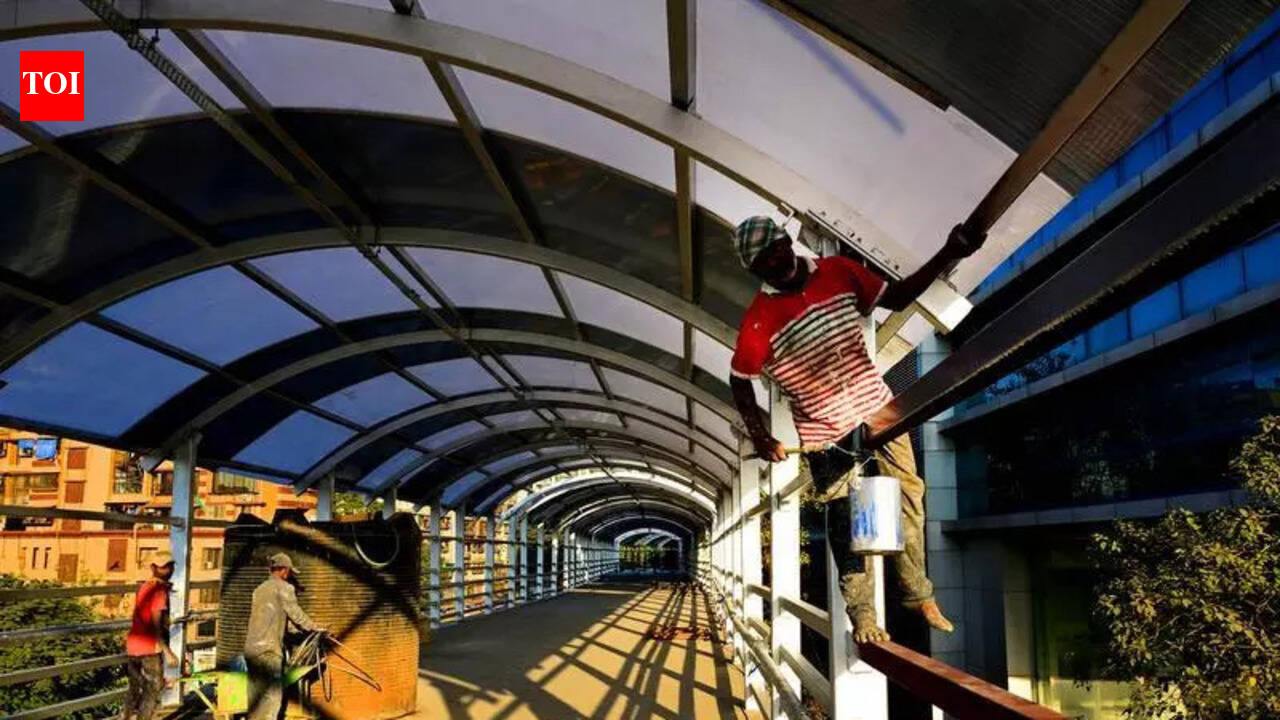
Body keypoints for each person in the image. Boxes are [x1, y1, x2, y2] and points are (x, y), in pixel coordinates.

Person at [728, 215, 985, 643]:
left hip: (877, 409)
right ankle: (863, 615)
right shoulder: (759, 320)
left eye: (775, 249)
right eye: (762, 263)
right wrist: (761, 435)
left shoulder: (837, 272)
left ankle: (917, 593)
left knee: (908, 493)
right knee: (848, 522)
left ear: (786, 242)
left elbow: (898, 297)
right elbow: (739, 378)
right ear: (755, 272)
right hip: (824, 433)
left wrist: (949, 252)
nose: (774, 262)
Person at [244, 552, 325, 720]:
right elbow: (296, 614)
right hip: (269, 651)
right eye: (288, 571)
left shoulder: (259, 590)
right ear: (283, 570)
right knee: (272, 697)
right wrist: (315, 627)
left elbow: (280, 620)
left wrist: (301, 631)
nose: (288, 575)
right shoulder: (284, 588)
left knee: (256, 697)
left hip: (251, 650)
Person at [123, 551, 178, 720]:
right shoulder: (158, 592)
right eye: (164, 567)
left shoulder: (146, 586)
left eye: (168, 566)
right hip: (149, 647)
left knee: (135, 688)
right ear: (154, 568)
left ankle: (126, 717)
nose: (167, 570)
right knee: (153, 688)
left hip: (133, 645)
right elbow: (156, 625)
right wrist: (167, 652)